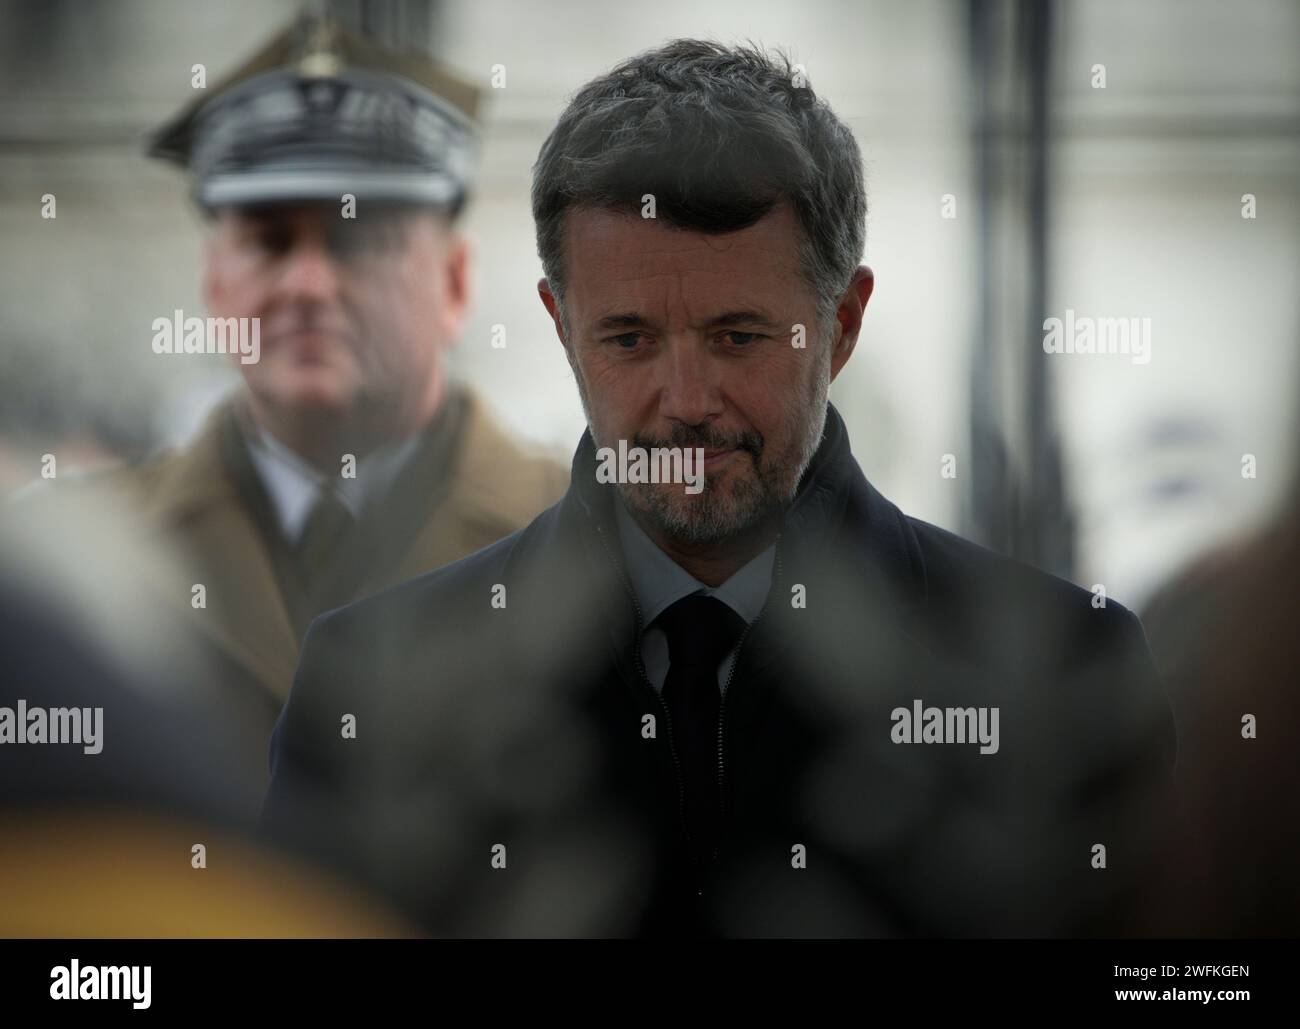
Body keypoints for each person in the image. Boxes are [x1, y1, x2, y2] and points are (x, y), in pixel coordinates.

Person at [263, 39, 1176, 937]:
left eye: (738, 336)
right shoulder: (369, 694)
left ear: (842, 324)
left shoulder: (1060, 681)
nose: (687, 405)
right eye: (628, 339)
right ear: (561, 326)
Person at [16, 15, 567, 793]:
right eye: (271, 243)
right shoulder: (89, 562)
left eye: (358, 238)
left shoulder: (590, 539)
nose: (309, 284)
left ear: (453, 284)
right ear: (215, 286)